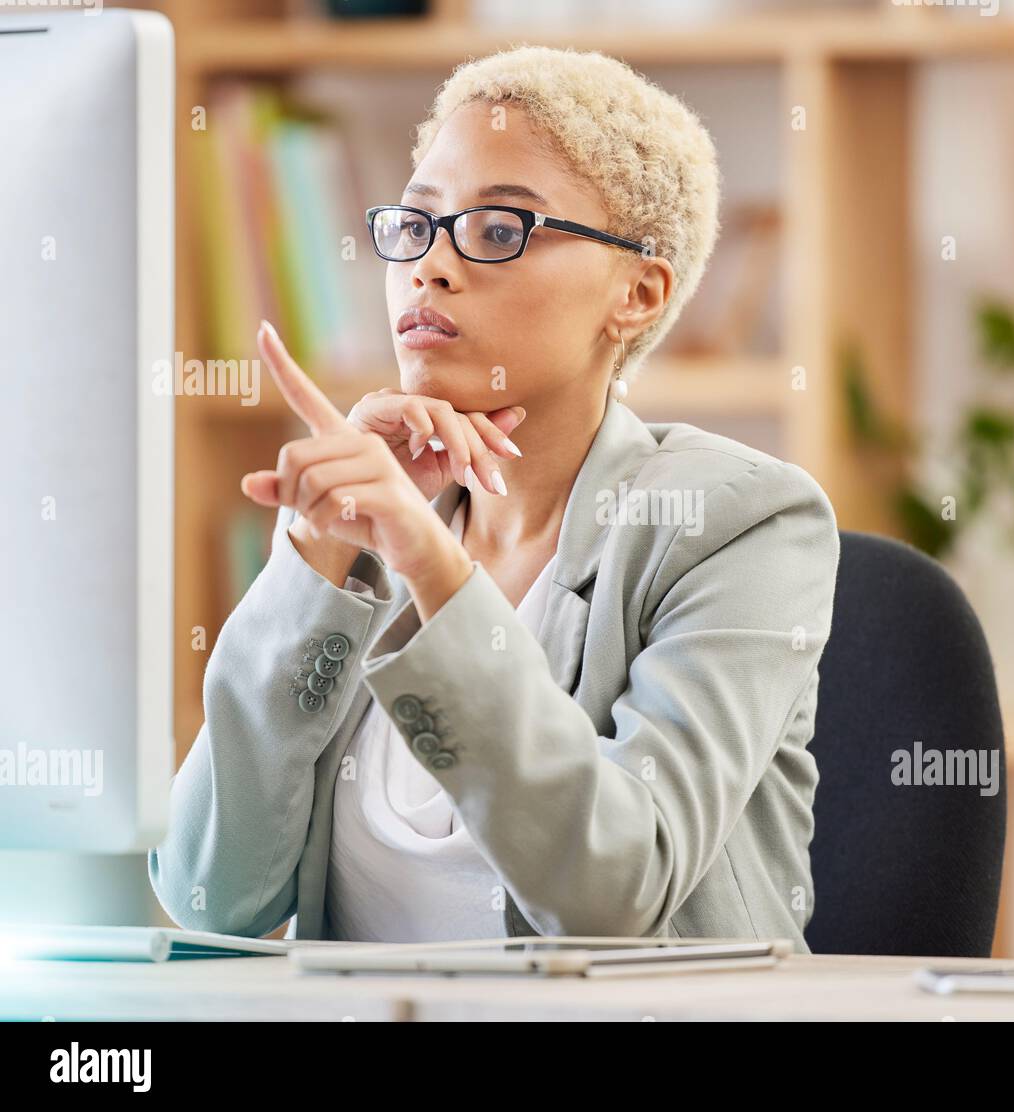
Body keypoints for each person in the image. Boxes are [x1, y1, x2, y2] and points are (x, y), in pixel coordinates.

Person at [149, 44, 839, 951]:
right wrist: (318, 556)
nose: (431, 267)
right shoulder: (378, 535)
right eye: (419, 223)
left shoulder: (745, 526)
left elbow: (614, 892)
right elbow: (211, 895)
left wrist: (434, 572)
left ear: (637, 292)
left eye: (500, 228)